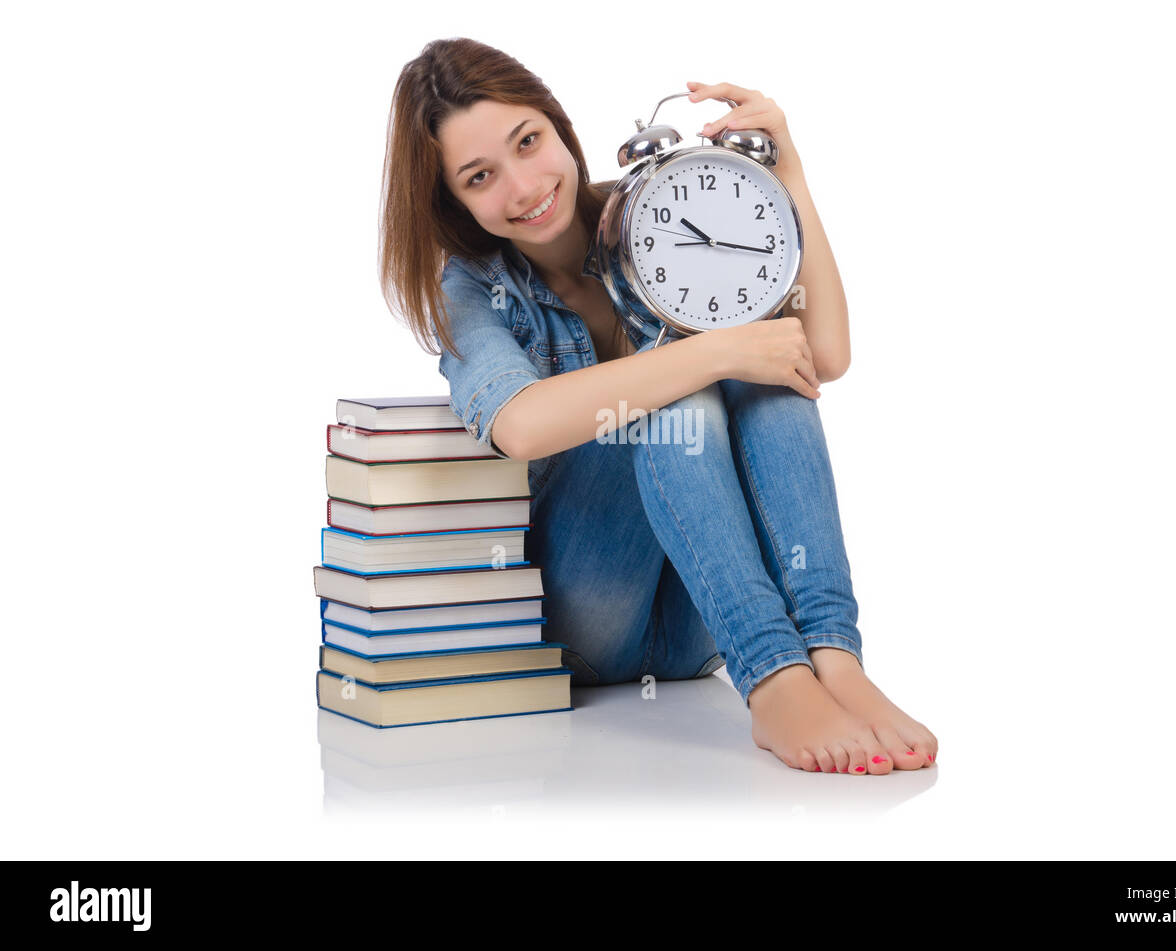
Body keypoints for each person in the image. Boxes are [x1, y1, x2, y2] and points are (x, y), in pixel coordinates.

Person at [379, 37, 938, 775]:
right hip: (592, 618)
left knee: (765, 369)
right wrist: (713, 351)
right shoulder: (472, 288)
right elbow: (518, 424)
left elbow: (822, 354)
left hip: (705, 615)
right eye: (481, 177)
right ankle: (774, 678)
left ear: (558, 125)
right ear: (454, 201)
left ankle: (833, 656)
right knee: (688, 391)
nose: (522, 185)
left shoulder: (661, 204)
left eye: (529, 141)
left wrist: (789, 173)